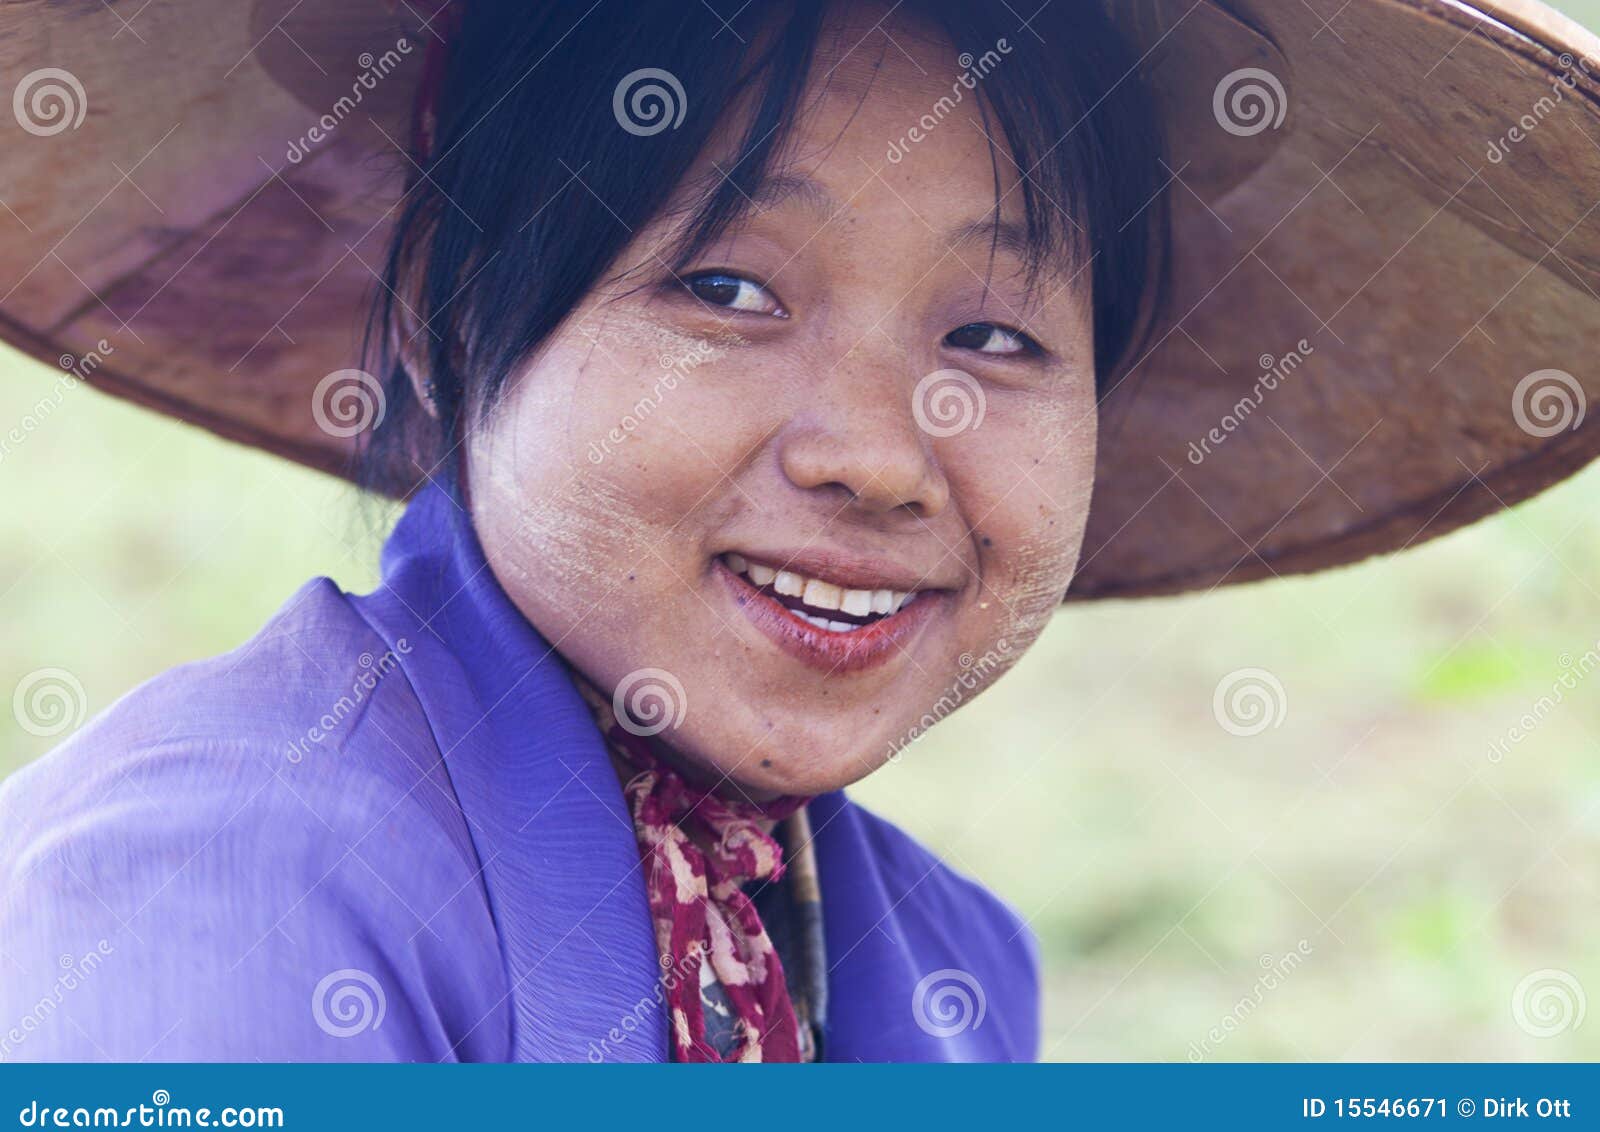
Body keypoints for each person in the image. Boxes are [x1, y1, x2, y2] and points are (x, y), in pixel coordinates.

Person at [2, 0, 1597, 1062]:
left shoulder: (953, 972)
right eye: (728, 290)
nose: (881, 460)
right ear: (442, 314)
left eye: (993, 338)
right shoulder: (215, 891)